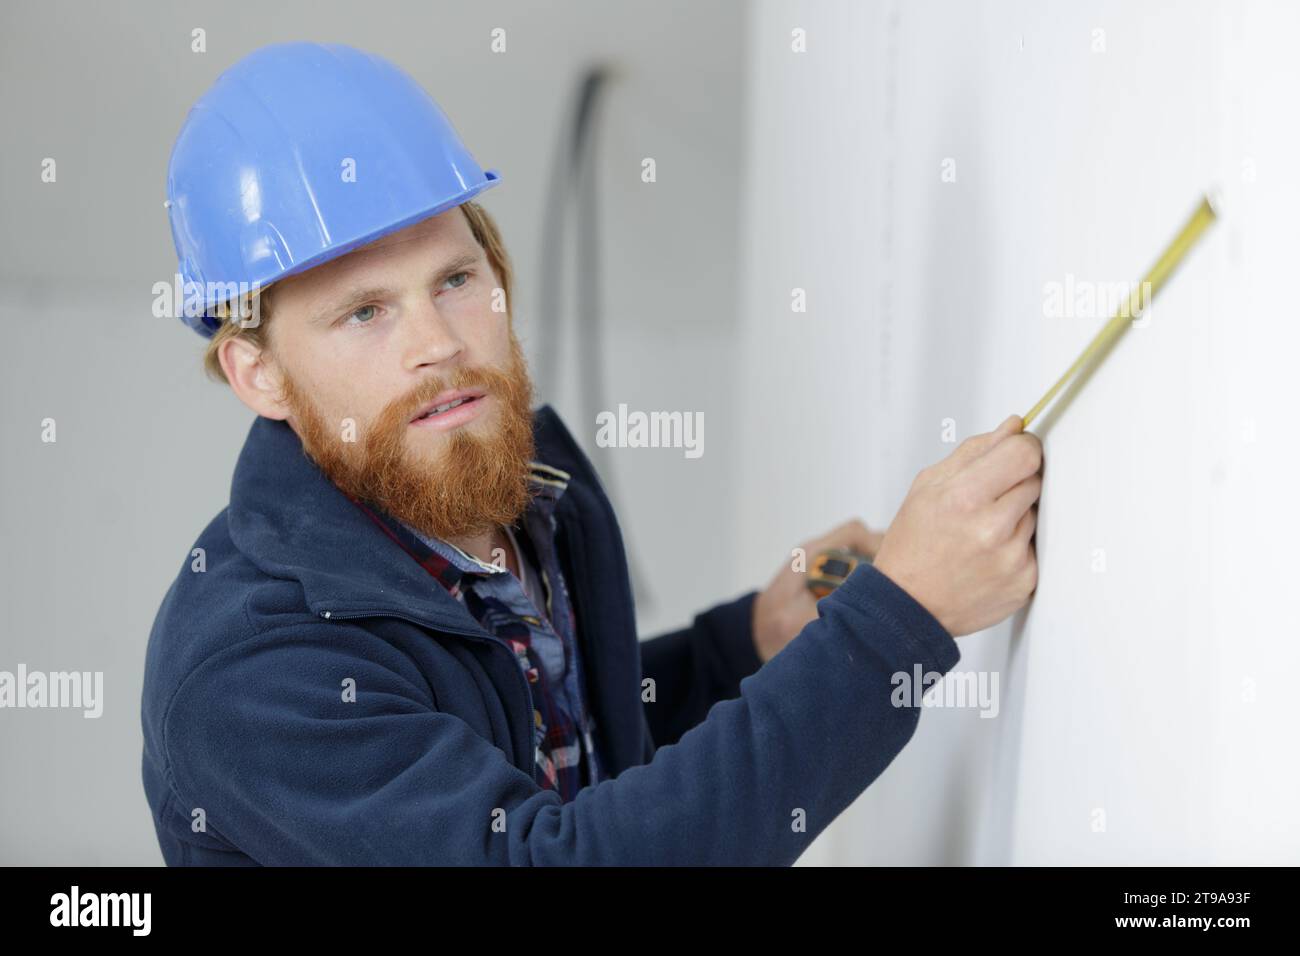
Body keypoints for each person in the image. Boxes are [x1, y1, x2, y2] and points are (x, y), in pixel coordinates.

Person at [141, 42, 1042, 865]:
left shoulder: (520, 495)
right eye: (365, 312)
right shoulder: (253, 671)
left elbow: (541, 733)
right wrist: (896, 622)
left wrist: (746, 644)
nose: (439, 342)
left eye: (455, 280)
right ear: (257, 374)